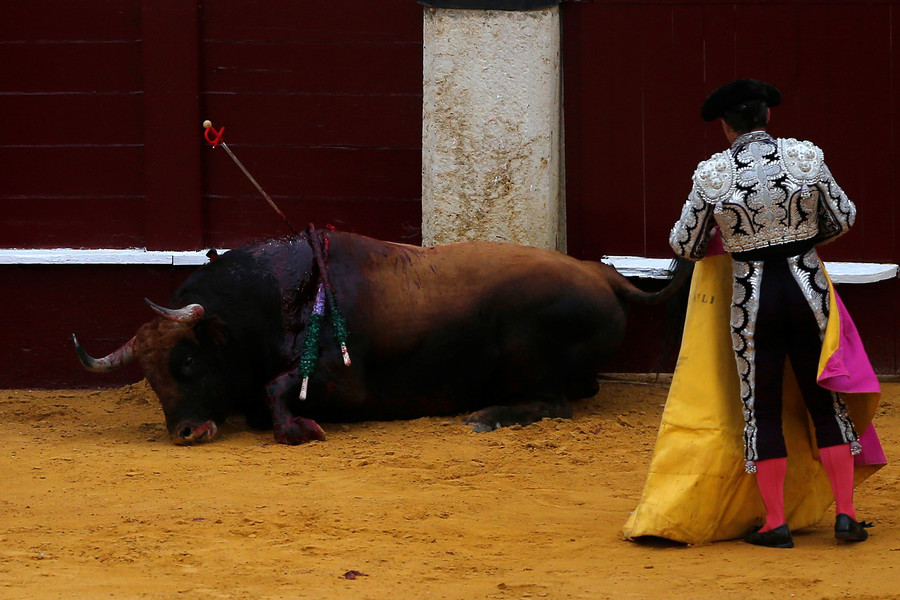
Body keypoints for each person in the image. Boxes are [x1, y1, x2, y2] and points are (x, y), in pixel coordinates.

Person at [665, 79, 875, 548]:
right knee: (825, 399)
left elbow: (685, 243)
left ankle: (775, 523)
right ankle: (845, 515)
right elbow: (842, 217)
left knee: (760, 409)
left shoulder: (713, 174)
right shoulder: (805, 158)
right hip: (808, 290)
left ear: (725, 126)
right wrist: (798, 238)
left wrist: (734, 239)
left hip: (751, 297)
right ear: (767, 116)